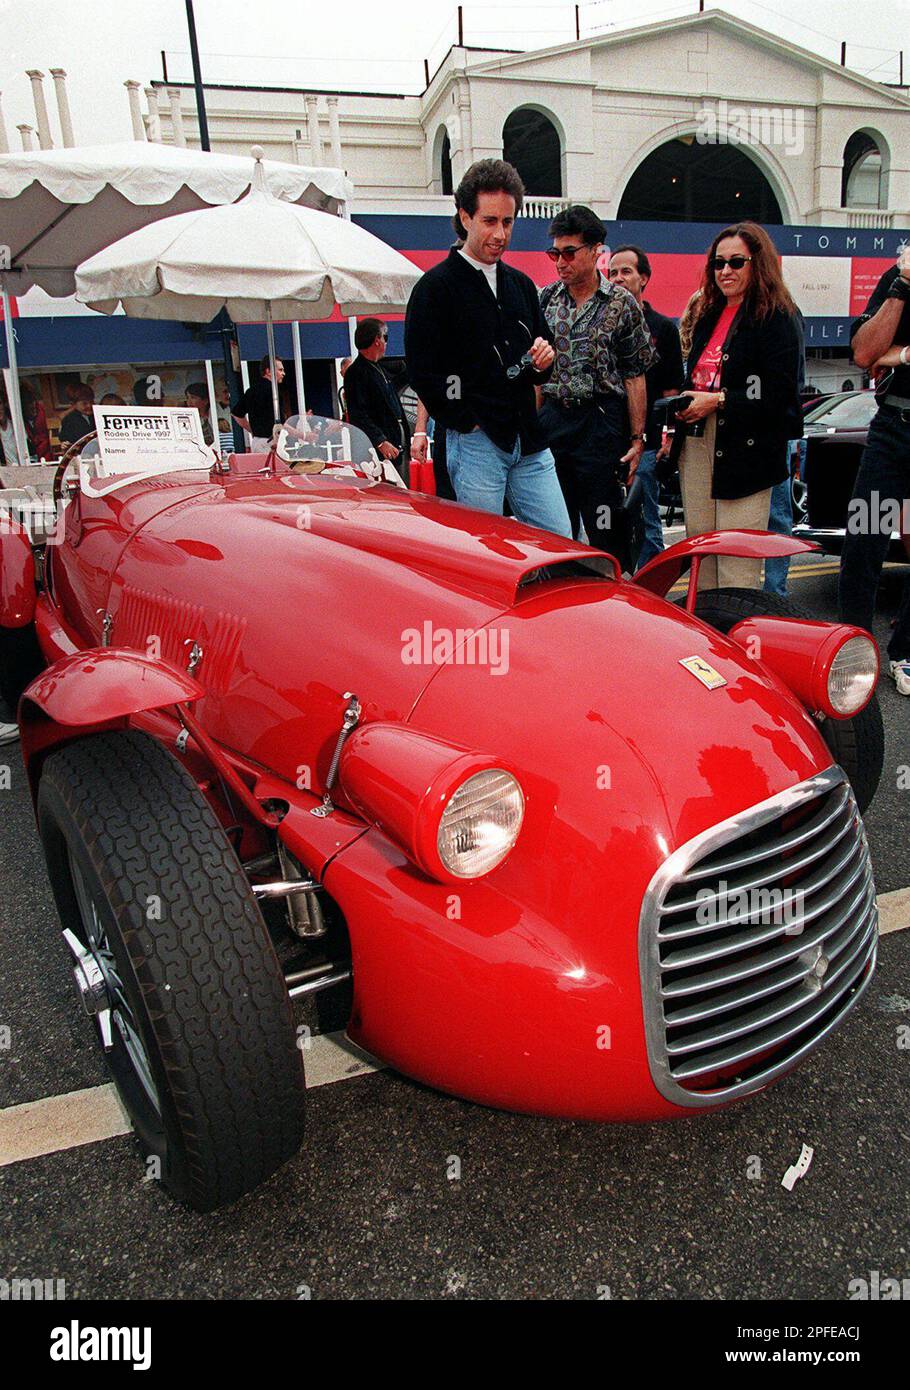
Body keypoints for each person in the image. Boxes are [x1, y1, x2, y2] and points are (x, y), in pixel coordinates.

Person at [405, 158, 570, 537]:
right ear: (465, 217)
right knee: (486, 552)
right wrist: (465, 420)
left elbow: (538, 360)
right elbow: (422, 368)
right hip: (476, 443)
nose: (500, 233)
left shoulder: (522, 285)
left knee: (561, 544)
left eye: (508, 222)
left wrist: (542, 362)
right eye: (490, 221)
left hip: (528, 440)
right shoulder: (436, 288)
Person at [664, 221, 803, 590]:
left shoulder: (778, 317)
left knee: (736, 563)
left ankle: (737, 643)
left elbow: (780, 396)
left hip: (746, 450)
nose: (725, 270)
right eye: (718, 263)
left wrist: (720, 400)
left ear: (758, 264)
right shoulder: (709, 312)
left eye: (736, 262)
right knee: (702, 554)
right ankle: (710, 640)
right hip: (696, 441)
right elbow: (694, 375)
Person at [536, 209, 653, 565]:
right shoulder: (546, 299)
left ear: (595, 251)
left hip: (601, 423)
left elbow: (635, 374)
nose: (560, 262)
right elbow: (537, 375)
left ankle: (613, 602)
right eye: (554, 254)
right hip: (554, 420)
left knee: (606, 525)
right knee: (555, 527)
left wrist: (637, 440)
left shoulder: (621, 304)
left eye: (569, 253)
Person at [838, 245, 910, 695]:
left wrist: (895, 352)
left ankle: (905, 653)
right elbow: (865, 352)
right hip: (895, 428)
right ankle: (850, 656)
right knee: (865, 543)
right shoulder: (897, 278)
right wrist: (903, 283)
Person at [608, 243, 684, 567]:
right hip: (608, 441)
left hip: (649, 446)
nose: (618, 278)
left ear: (644, 278)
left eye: (626, 271)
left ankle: (651, 601)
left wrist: (667, 441)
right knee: (609, 526)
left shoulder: (663, 328)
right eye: (612, 273)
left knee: (649, 529)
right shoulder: (603, 324)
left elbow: (671, 393)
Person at [343, 320, 411, 478]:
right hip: (379, 449)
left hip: (395, 443)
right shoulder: (356, 372)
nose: (386, 342)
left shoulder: (378, 367)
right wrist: (380, 441)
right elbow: (358, 414)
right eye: (385, 337)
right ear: (376, 340)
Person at [232, 355, 286, 450]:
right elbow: (282, 423)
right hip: (271, 442)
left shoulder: (251, 391)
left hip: (257, 442)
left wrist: (252, 430)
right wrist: (302, 435)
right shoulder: (274, 394)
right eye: (280, 370)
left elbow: (236, 414)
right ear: (268, 371)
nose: (283, 373)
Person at [185, 382, 215, 446]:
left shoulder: (214, 416)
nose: (189, 401)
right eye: (187, 397)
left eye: (193, 397)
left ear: (205, 401)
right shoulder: (187, 419)